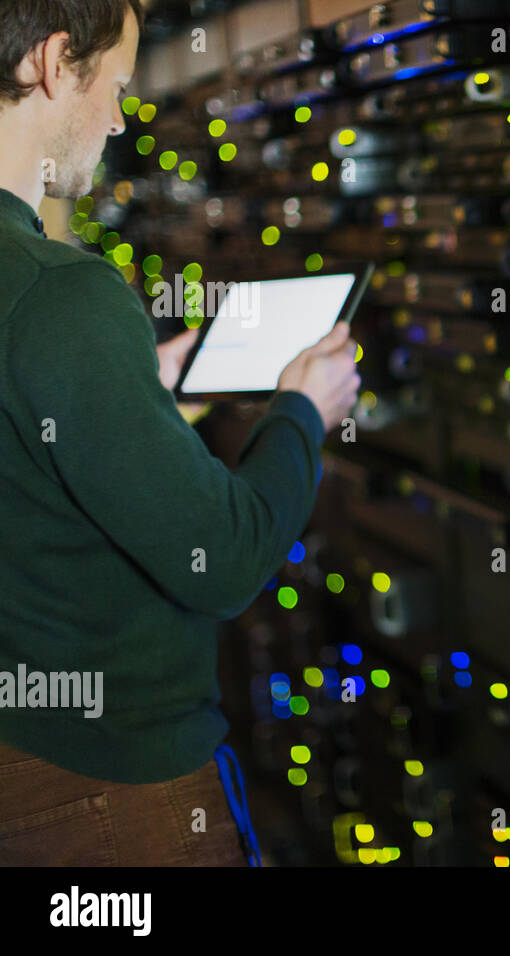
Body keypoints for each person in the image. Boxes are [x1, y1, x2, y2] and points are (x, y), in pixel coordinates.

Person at [0, 0, 361, 865]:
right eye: (118, 85)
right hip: (108, 789)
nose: (121, 116)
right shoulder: (61, 294)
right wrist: (304, 410)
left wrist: (135, 394)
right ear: (53, 64)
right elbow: (225, 559)